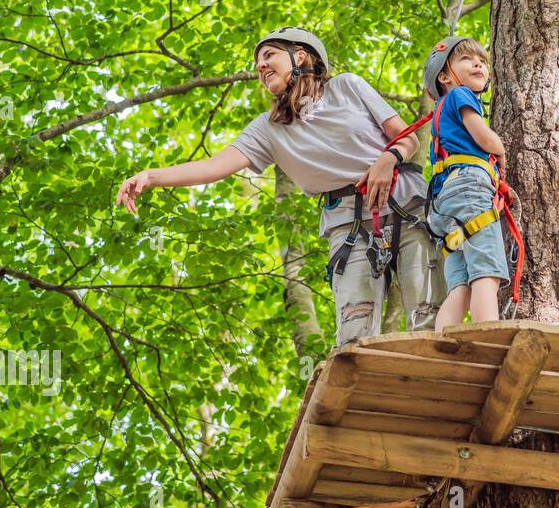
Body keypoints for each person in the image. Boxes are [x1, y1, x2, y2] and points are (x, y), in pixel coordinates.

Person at [115, 27, 444, 348]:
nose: (260, 66)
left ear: (300, 55)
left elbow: (407, 137)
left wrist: (387, 160)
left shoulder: (347, 87)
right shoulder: (269, 129)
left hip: (407, 206)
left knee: (429, 315)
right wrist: (152, 176)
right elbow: (214, 166)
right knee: (355, 335)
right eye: (258, 62)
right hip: (349, 226)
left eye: (269, 55)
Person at [422, 37, 512, 329]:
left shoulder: (441, 112)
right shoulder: (460, 94)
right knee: (487, 272)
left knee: (461, 285)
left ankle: (442, 343)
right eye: (466, 59)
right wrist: (499, 150)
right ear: (445, 76)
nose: (478, 64)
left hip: (445, 205)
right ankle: (489, 339)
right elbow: (482, 135)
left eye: (482, 61)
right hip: (470, 189)